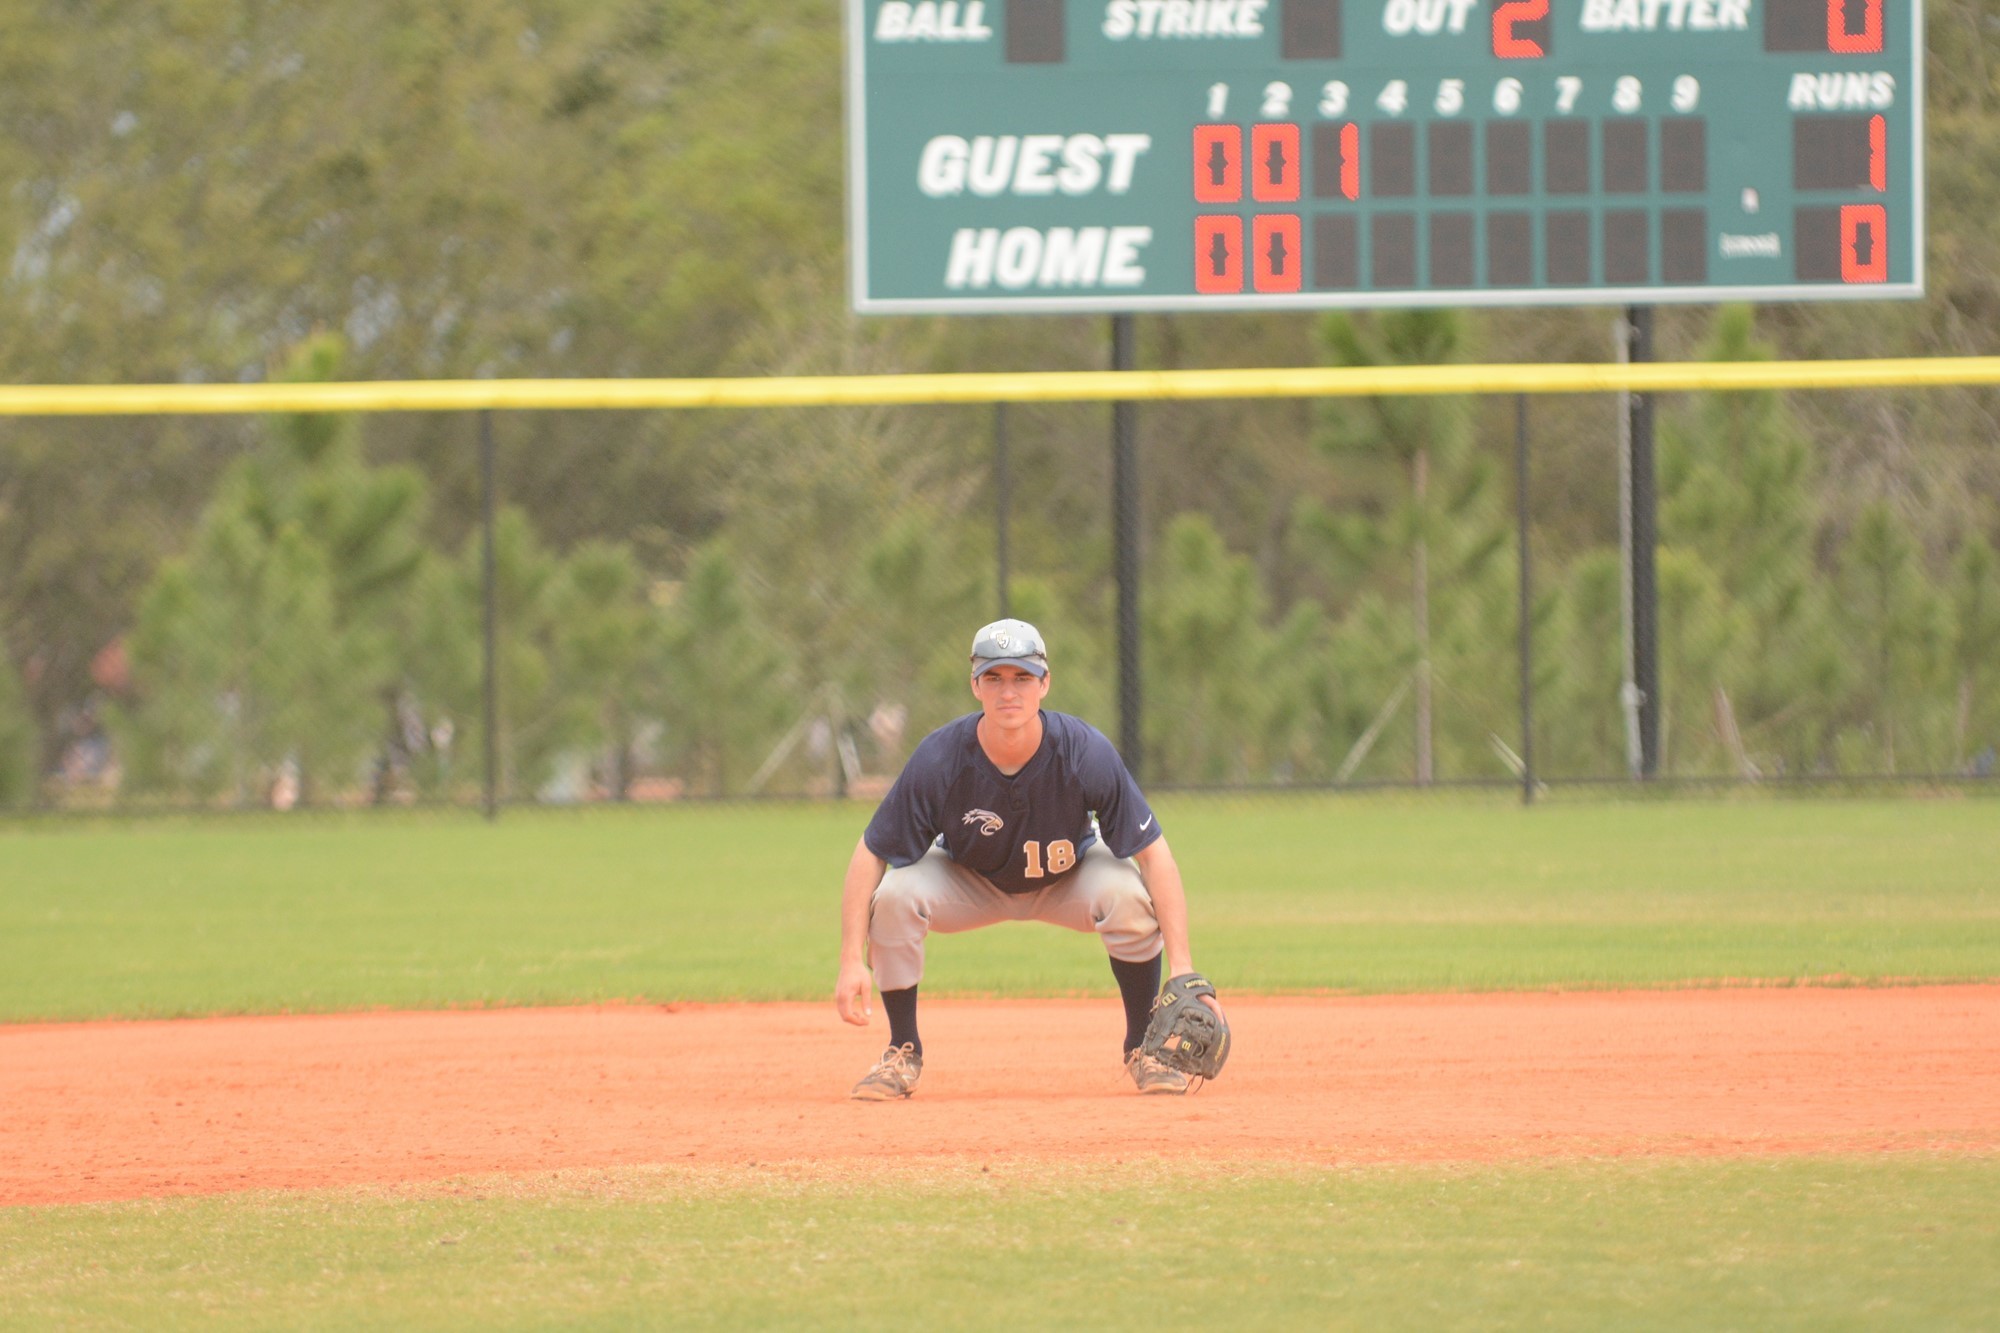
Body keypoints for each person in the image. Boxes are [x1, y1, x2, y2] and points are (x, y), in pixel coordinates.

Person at [834, 618, 1222, 1099]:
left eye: (1021, 677)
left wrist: (1182, 964)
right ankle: (902, 1051)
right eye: (994, 678)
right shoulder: (941, 758)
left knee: (1127, 894)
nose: (1008, 692)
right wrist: (852, 959)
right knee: (895, 894)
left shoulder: (1085, 752)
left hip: (1068, 878)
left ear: (1045, 683)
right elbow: (870, 852)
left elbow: (1155, 855)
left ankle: (1141, 1047)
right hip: (967, 879)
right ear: (975, 684)